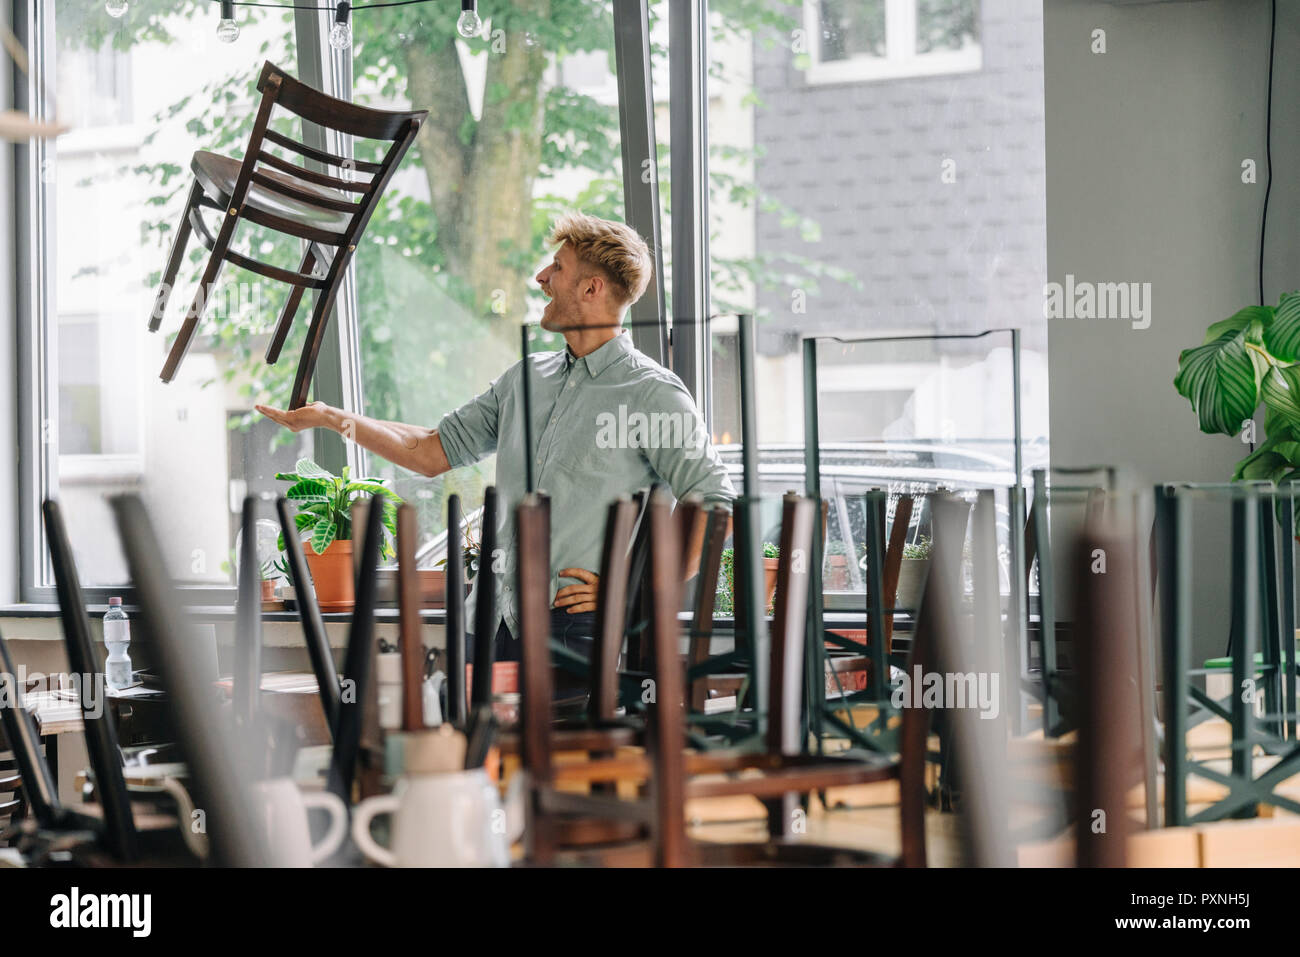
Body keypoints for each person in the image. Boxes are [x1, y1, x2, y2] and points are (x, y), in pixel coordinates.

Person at [256, 212, 735, 694]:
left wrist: (636, 588)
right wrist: (331, 417)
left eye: (558, 268)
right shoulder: (525, 379)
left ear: (592, 289)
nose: (541, 278)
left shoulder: (651, 392)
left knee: (557, 768)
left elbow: (715, 501)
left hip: (577, 631)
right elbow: (430, 450)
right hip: (489, 624)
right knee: (476, 764)